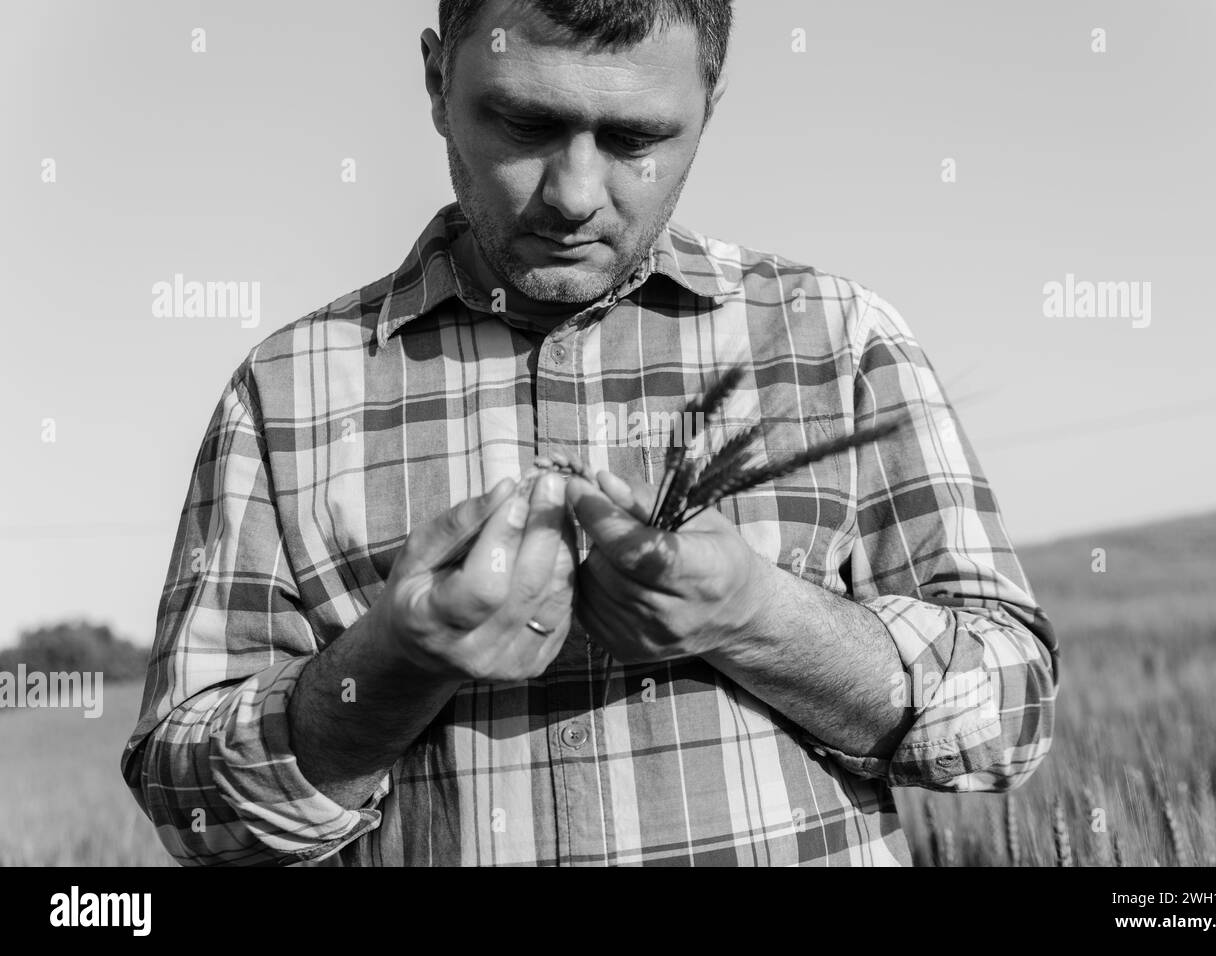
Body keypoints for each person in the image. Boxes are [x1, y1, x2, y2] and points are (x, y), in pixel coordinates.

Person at [123, 0, 1059, 866]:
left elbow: (1011, 717)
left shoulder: (836, 336)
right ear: (437, 81)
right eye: (524, 123)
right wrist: (396, 663)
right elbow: (188, 805)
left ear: (710, 103)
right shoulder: (285, 390)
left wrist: (756, 616)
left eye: (634, 138)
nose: (574, 194)